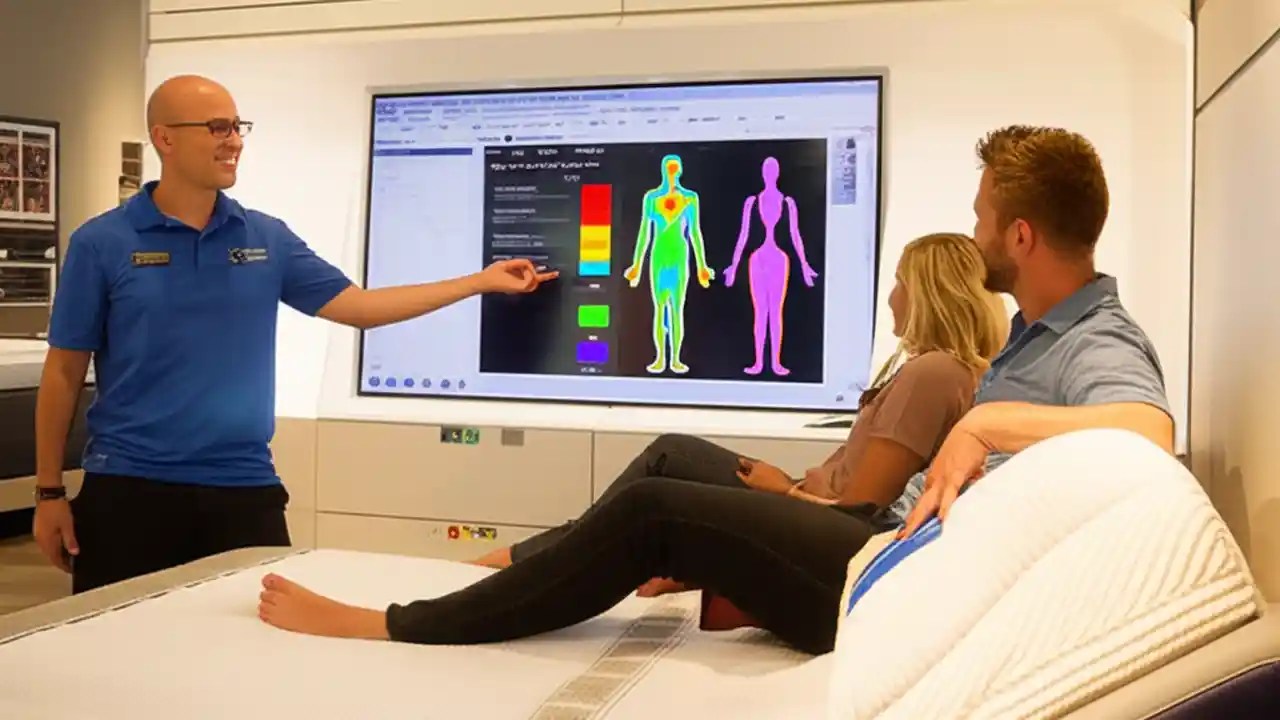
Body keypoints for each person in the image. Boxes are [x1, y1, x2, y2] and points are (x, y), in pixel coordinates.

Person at [255, 125, 1174, 655]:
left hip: (885, 581)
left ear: (1019, 236)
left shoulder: (1098, 338)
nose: (971, 236)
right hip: (880, 551)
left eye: (980, 217)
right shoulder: (1032, 338)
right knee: (680, 461)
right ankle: (523, 571)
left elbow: (1147, 432)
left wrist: (993, 424)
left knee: (661, 505)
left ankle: (398, 626)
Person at [32, 74, 557, 594]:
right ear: (164, 138)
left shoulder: (266, 238)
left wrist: (479, 282)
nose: (233, 140)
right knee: (122, 658)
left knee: (249, 663)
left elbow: (360, 307)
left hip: (243, 490)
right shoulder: (102, 243)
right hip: (129, 489)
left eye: (237, 127)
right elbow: (63, 371)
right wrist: (49, 492)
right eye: (217, 127)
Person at [470, 231, 1008, 584]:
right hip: (807, 501)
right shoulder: (946, 371)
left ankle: (527, 563)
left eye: (899, 283)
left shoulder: (934, 374)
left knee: (668, 461)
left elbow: (862, 512)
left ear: (928, 294)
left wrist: (785, 491)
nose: (891, 297)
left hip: (817, 522)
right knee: (664, 467)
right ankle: (538, 556)